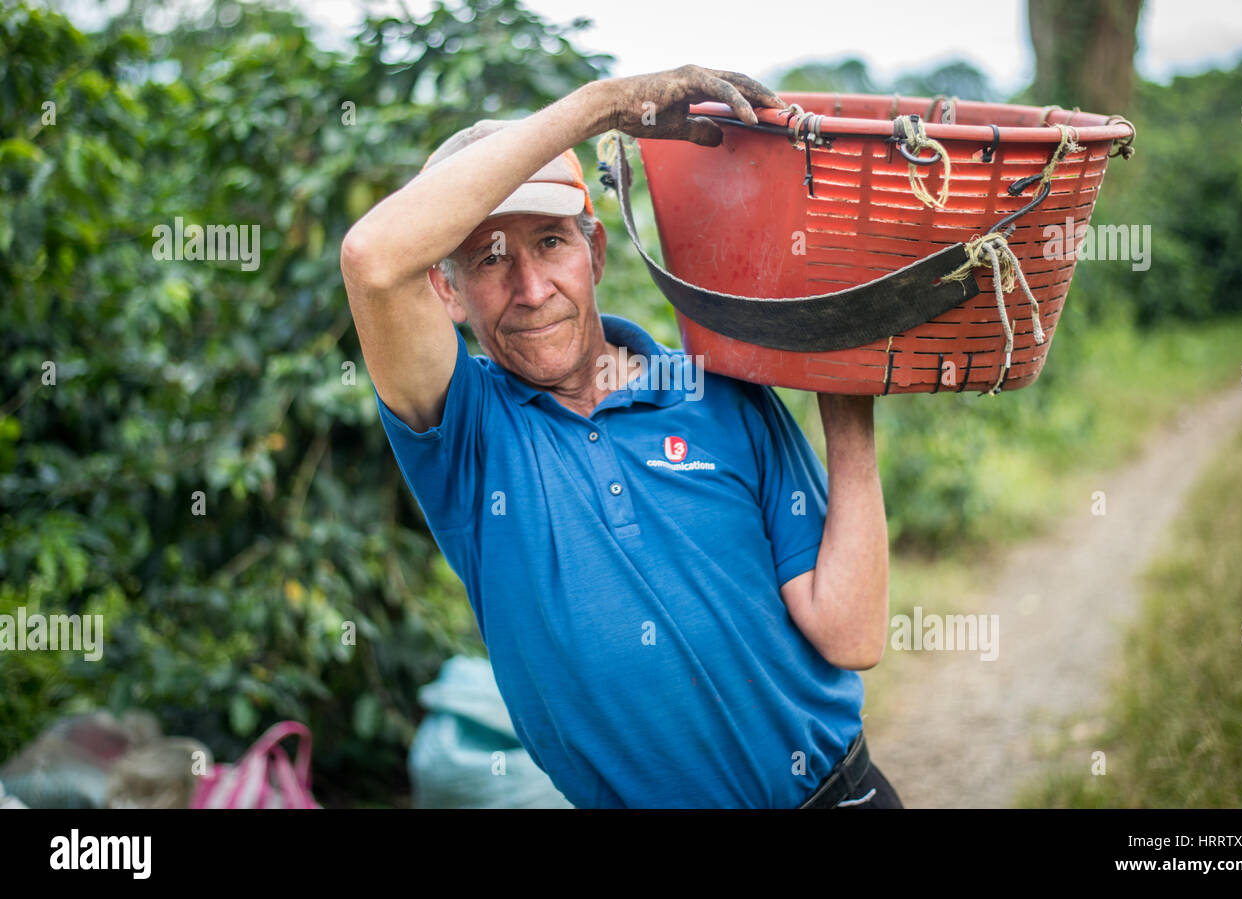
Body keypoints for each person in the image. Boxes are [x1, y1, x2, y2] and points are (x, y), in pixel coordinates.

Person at [340, 64, 902, 809]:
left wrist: (849, 402)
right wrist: (604, 106)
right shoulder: (466, 436)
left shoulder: (718, 389)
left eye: (549, 242)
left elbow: (851, 634)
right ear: (446, 289)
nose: (533, 288)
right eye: (489, 258)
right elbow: (373, 260)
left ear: (595, 251)